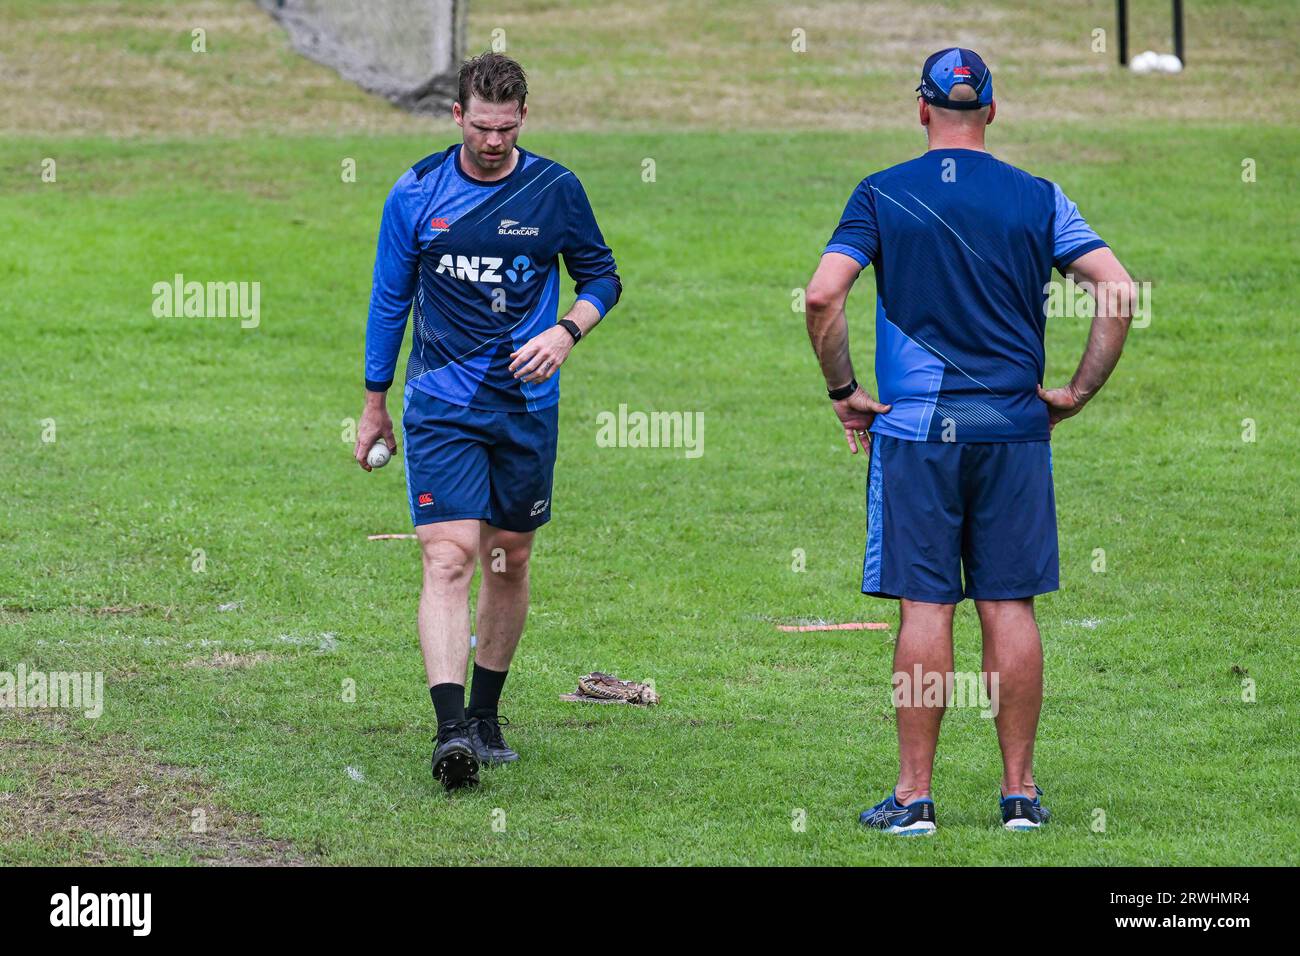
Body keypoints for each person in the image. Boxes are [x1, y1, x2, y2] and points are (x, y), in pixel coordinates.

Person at [804, 48, 1134, 833]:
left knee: (927, 606)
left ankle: (915, 799)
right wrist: (1076, 394)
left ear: (921, 110)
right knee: (1009, 603)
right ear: (992, 110)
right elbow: (1116, 292)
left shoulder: (882, 194)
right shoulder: (1039, 196)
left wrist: (846, 393)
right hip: (1015, 432)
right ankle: (1019, 795)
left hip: (918, 432)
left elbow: (822, 296)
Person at [355, 52, 622, 791]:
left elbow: (603, 276)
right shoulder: (416, 193)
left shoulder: (555, 189)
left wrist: (567, 331)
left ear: (523, 118)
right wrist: (375, 404)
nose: (494, 141)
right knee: (448, 559)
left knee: (510, 558)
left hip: (526, 407)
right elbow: (388, 301)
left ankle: (486, 712)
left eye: (506, 128)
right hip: (442, 404)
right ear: (456, 118)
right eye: (481, 127)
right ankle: (449, 733)